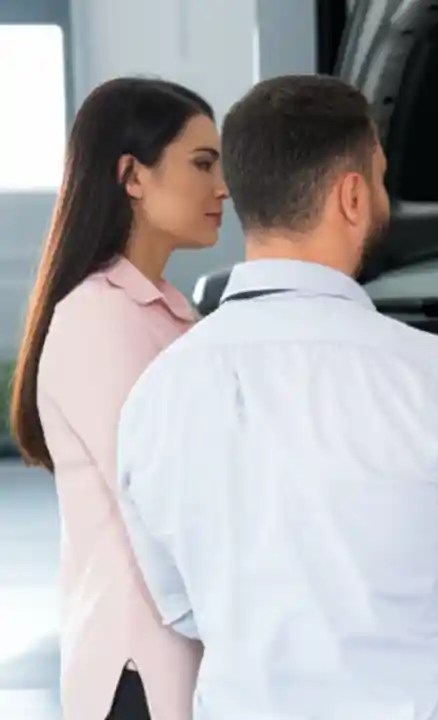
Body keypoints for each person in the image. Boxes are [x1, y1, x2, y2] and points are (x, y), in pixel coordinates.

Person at [113, 74, 438, 719]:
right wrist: (435, 604)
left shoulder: (156, 393)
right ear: (353, 196)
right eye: (381, 179)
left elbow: (185, 607)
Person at [8, 77, 225, 720]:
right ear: (132, 175)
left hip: (187, 662)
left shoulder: (170, 312)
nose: (223, 188)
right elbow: (163, 497)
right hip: (140, 673)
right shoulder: (100, 319)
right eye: (203, 164)